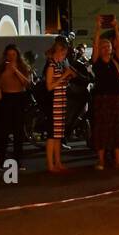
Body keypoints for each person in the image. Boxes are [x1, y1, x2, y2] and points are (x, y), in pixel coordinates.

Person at [90, 18, 119, 171]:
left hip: (117, 98)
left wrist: (116, 27)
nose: (106, 48)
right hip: (102, 99)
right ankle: (100, 161)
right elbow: (94, 44)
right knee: (102, 129)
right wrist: (98, 29)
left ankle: (118, 160)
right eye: (103, 46)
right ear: (100, 49)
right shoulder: (97, 62)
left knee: (117, 129)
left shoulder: (116, 61)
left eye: (108, 46)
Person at [0, 45, 32, 168]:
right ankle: (1, 160)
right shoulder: (1, 68)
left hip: (18, 98)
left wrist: (15, 70)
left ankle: (17, 160)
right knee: (3, 132)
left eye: (13, 55)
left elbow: (26, 83)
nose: (11, 57)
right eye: (9, 55)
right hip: (5, 99)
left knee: (18, 132)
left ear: (17, 56)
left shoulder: (22, 67)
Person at [43, 40, 76, 174]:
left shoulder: (58, 64)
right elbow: (49, 86)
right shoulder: (51, 65)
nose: (65, 57)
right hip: (53, 103)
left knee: (58, 135)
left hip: (60, 102)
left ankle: (58, 162)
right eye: (64, 54)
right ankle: (50, 164)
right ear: (58, 52)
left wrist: (67, 76)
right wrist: (64, 76)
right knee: (52, 135)